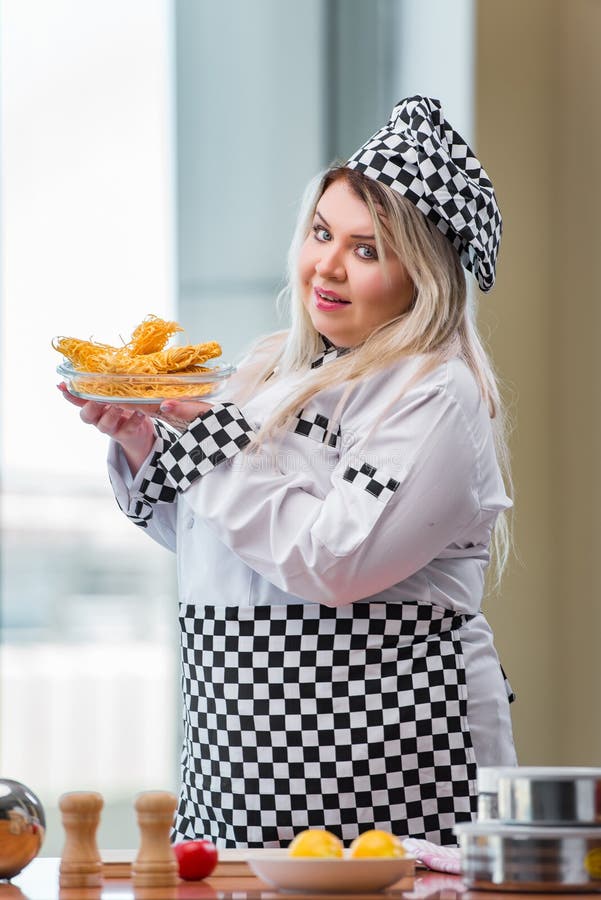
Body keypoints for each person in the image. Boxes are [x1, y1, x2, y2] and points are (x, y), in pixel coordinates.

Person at [60, 96, 517, 848]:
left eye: (367, 250)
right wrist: (145, 444)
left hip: (391, 765)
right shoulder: (271, 365)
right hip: (240, 756)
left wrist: (208, 443)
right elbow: (228, 544)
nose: (327, 266)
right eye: (320, 233)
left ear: (424, 276)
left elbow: (326, 560)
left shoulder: (433, 394)